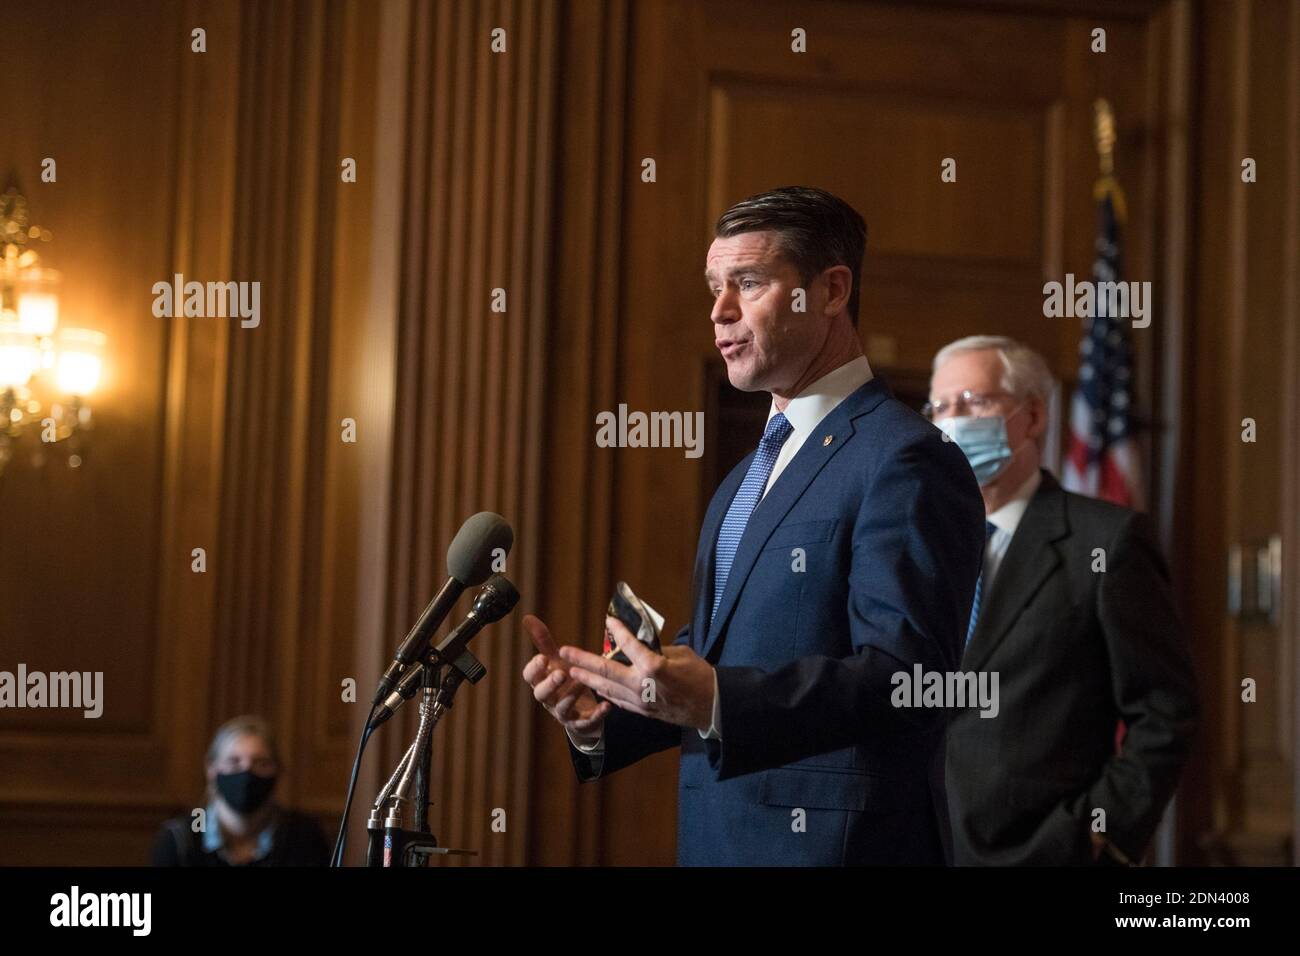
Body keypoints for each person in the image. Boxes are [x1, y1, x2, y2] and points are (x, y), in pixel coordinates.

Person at [522, 186, 985, 865]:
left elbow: (910, 676)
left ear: (830, 291)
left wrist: (717, 699)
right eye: (714, 286)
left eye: (748, 282)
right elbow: (728, 650)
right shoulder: (743, 478)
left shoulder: (906, 458)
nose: (719, 311)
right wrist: (610, 711)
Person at [928, 335, 1198, 865]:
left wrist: (1101, 837)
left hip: (1046, 852)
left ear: (1032, 417)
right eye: (939, 406)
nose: (951, 421)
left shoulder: (1106, 542)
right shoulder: (919, 541)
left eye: (973, 402)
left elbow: (1166, 711)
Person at [152, 715, 330, 866]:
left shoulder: (304, 838)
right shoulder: (180, 841)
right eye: (234, 762)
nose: (246, 772)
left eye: (261, 763)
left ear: (277, 770)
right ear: (212, 770)